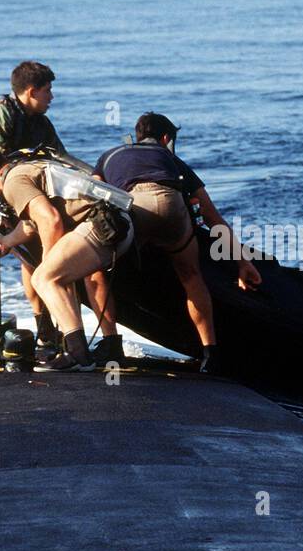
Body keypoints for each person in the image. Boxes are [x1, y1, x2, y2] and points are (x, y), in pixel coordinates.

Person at [95, 113, 261, 374]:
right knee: (191, 276)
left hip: (134, 208)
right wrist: (243, 262)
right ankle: (211, 353)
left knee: (97, 272)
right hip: (170, 204)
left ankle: (111, 345)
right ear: (165, 138)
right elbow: (211, 215)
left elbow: (94, 193)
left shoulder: (110, 155)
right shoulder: (172, 159)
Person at [0, 140, 132, 371]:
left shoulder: (12, 182)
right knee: (53, 277)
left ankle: (78, 355)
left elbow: (50, 219)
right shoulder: (27, 167)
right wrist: (7, 241)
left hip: (104, 225)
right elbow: (32, 223)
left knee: (43, 278)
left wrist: (49, 262)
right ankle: (81, 349)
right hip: (115, 221)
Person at [0, 61, 78, 352]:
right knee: (30, 257)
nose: (52, 97)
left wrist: (97, 176)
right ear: (32, 91)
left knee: (36, 257)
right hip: (1, 194)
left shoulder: (41, 121)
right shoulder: (1, 111)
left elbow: (61, 157)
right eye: (48, 91)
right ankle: (45, 326)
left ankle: (51, 327)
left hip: (29, 191)